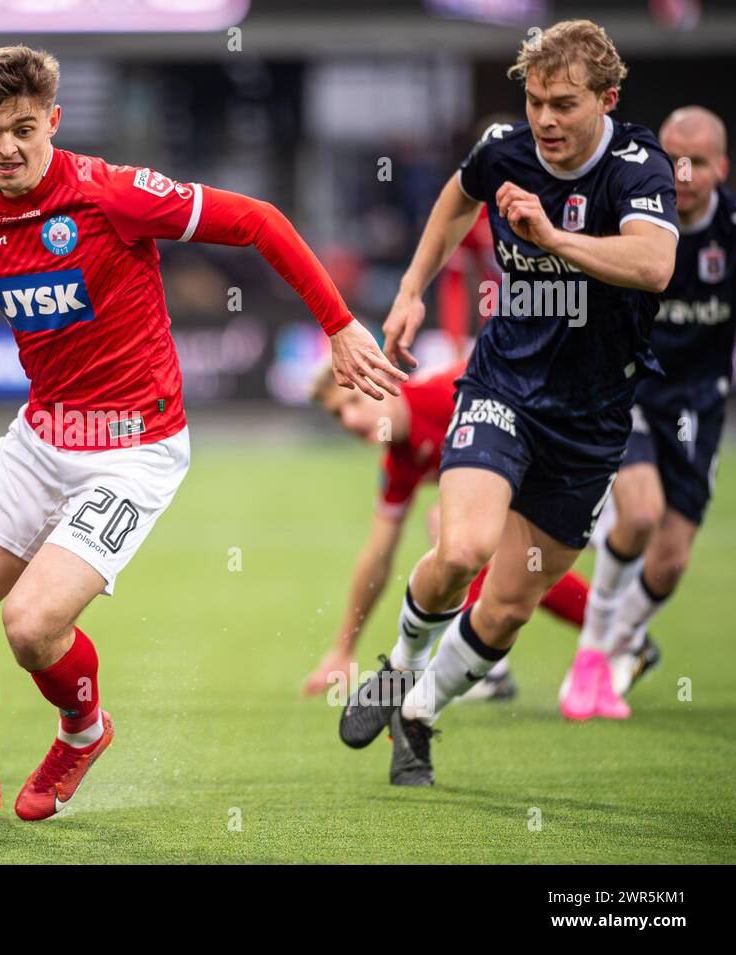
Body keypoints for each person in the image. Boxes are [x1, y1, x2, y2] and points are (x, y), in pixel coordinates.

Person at [0, 45, 405, 820]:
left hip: (135, 449)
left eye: (26, 129)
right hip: (42, 438)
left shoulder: (113, 195)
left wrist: (339, 324)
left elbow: (261, 222)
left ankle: (83, 731)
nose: (8, 146)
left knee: (32, 626)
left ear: (54, 123)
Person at [338, 20, 678, 785]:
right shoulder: (504, 148)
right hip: (503, 390)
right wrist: (409, 291)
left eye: (564, 104)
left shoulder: (636, 166)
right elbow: (460, 200)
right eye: (535, 102)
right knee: (461, 550)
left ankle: (419, 713)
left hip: (590, 422)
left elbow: (655, 264)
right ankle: (398, 665)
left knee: (508, 608)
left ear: (606, 99)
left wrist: (553, 237)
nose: (547, 121)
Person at [560, 106, 733, 716]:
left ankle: (621, 646)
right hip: (630, 388)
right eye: (673, 156)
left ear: (722, 167)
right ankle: (590, 652)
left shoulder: (730, 232)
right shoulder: (629, 209)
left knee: (671, 557)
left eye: (699, 162)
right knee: (639, 515)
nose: (682, 173)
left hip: (698, 405)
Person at [304, 359, 590, 707]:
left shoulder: (444, 395)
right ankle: (610, 633)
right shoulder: (400, 460)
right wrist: (343, 650)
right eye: (337, 414)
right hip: (548, 485)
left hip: (578, 457)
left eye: (354, 401)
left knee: (454, 524)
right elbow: (377, 557)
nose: (348, 421)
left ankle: (491, 665)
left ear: (382, 381)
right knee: (497, 554)